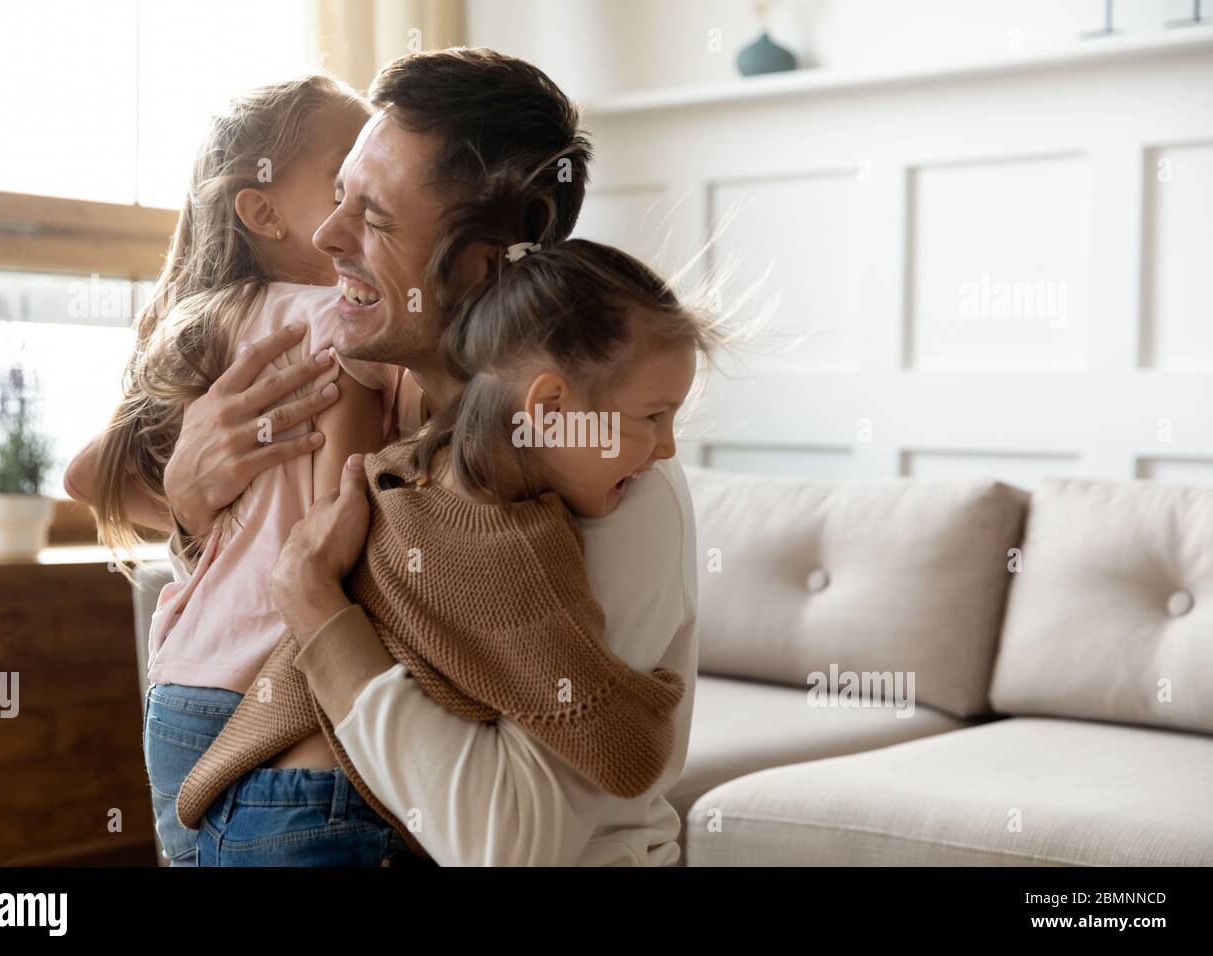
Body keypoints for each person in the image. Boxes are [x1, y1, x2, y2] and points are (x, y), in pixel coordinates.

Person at [76, 48, 703, 865]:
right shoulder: (361, 400)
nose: (330, 237)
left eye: (372, 216)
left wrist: (316, 608)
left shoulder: (606, 477)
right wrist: (190, 506)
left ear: (486, 258)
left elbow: (509, 845)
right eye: (336, 196)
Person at [176, 238, 728, 867]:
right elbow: (617, 746)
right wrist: (655, 708)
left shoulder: (399, 471)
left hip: (239, 800)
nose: (666, 450)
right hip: (331, 823)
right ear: (550, 409)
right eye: (654, 417)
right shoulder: (519, 553)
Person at [66, 72, 407, 865]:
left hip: (179, 691)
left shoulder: (213, 320)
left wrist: (203, 517)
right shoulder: (341, 320)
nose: (363, 207)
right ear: (262, 210)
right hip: (277, 697)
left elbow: (88, 475)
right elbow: (337, 530)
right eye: (343, 184)